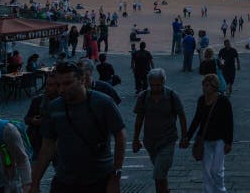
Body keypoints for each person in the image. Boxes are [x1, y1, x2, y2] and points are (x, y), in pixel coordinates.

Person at [29, 61, 126, 193]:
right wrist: (35, 182)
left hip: (99, 178)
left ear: (82, 80)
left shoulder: (103, 103)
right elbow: (47, 145)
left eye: (68, 83)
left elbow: (120, 137)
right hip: (65, 179)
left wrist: (115, 177)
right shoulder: (54, 107)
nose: (62, 89)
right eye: (59, 84)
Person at [133, 69, 188, 193]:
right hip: (150, 141)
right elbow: (139, 119)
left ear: (163, 82)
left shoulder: (172, 96)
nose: (155, 88)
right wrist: (135, 139)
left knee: (158, 173)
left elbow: (182, 116)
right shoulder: (143, 97)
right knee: (161, 172)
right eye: (152, 85)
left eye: (158, 85)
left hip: (168, 140)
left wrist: (185, 136)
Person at [181, 74, 234, 193]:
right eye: (203, 85)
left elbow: (229, 122)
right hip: (204, 139)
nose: (204, 88)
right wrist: (188, 136)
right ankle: (208, 191)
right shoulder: (201, 100)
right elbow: (197, 119)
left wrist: (229, 142)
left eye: (207, 85)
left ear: (214, 87)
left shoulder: (223, 101)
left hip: (220, 139)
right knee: (206, 169)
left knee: (216, 169)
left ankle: (221, 190)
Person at [24, 72, 59, 160]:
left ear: (58, 86)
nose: (47, 87)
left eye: (50, 85)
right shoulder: (38, 100)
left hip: (58, 142)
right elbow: (26, 119)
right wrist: (33, 121)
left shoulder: (64, 101)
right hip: (38, 140)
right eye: (46, 84)